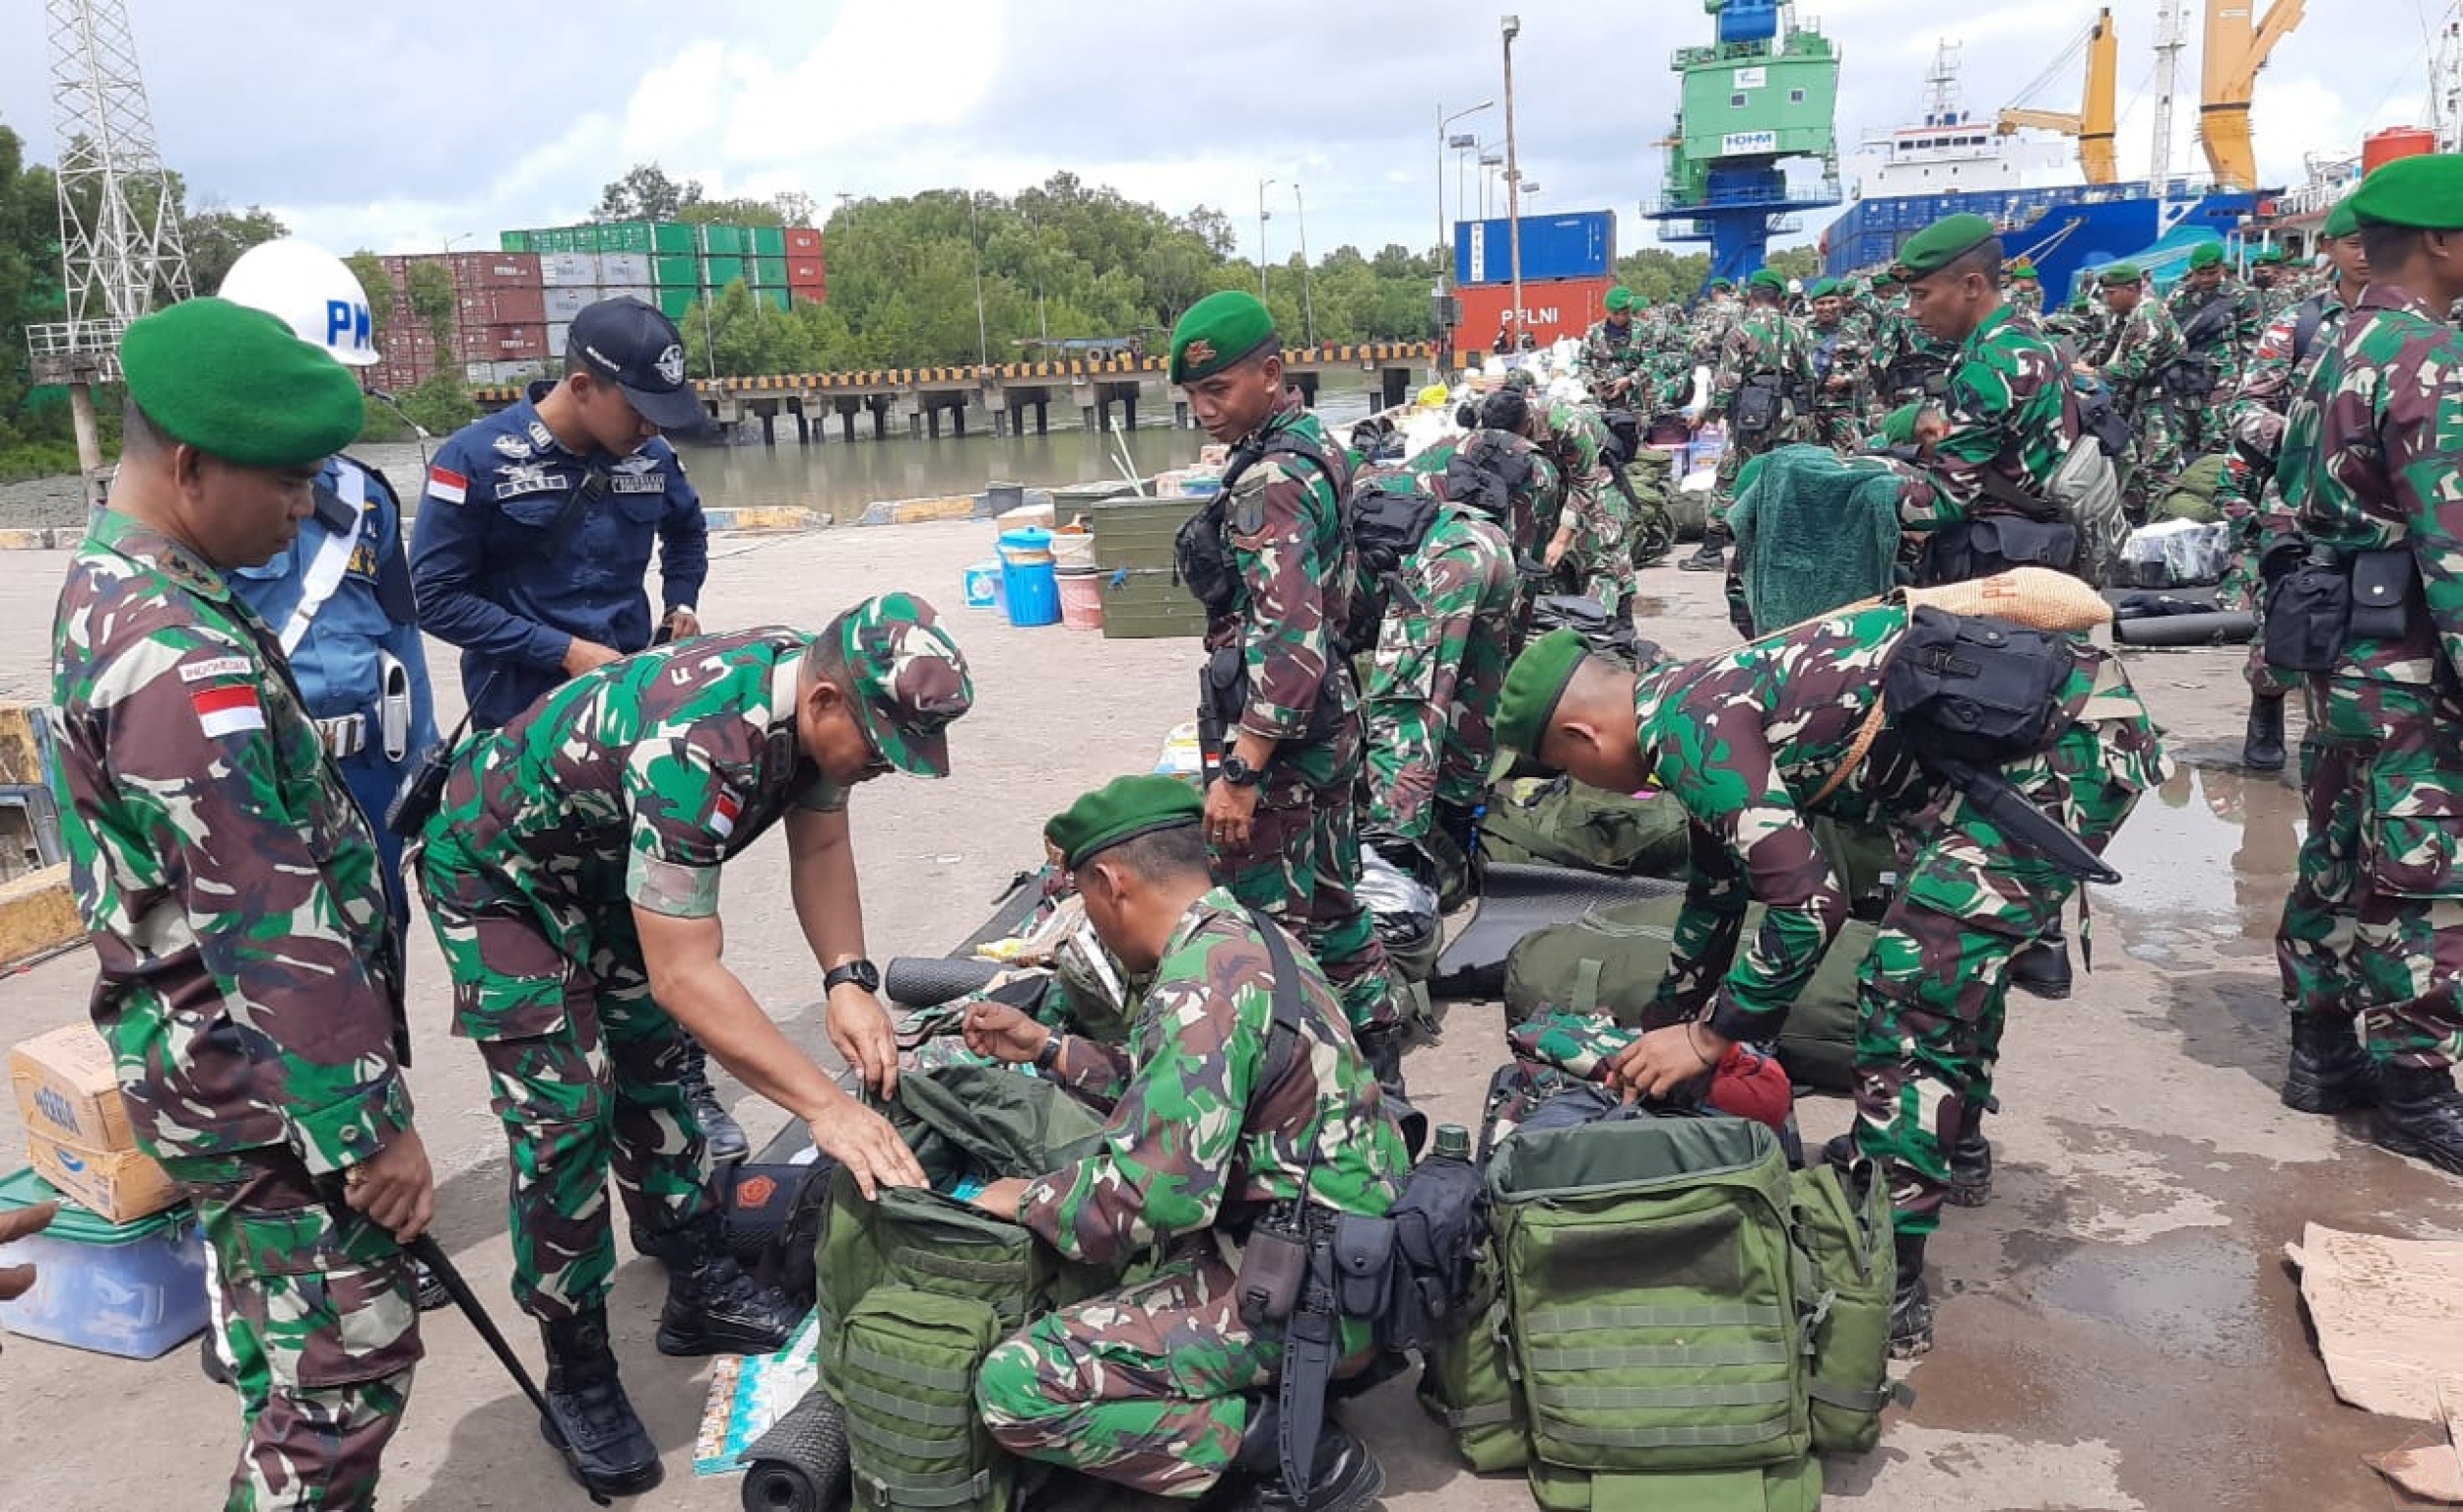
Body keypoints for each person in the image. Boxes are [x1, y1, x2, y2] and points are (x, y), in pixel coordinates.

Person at [1491, 613, 2166, 1356]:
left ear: (1583, 740)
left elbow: (1811, 904)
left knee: (1912, 975)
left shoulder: (1686, 727)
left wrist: (1711, 1036)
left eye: (1565, 769)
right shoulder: (1683, 702)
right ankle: (1954, 1145)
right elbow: (1716, 895)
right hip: (2035, 730)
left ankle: (1887, 1271)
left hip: (2068, 744)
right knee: (1948, 953)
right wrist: (1662, 1026)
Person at [411, 593, 959, 1495]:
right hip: (500, 878)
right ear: (826, 704)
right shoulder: (699, 747)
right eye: (882, 748)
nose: (885, 770)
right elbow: (687, 973)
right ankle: (576, 1360)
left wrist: (849, 978)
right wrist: (824, 1107)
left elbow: (820, 851)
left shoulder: (815, 698)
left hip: (605, 865)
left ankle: (696, 1276)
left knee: (658, 1067)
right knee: (565, 1116)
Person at [50, 297, 433, 1508]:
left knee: (289, 1362)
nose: (308, 505)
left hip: (215, 1071)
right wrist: (372, 1130)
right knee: (343, 1374)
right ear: (189, 464)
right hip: (261, 1091)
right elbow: (266, 921)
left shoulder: (118, 587)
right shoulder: (180, 653)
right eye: (288, 479)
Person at [966, 776, 1407, 1511]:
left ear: (1112, 882)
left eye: (1085, 904)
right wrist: (1047, 1047)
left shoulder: (1196, 987)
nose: (1092, 926)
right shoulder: (1244, 938)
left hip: (1308, 1295)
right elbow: (1184, 1093)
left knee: (1017, 1384)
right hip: (1342, 1257)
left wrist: (1029, 1200)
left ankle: (1283, 1446)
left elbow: (1150, 1196)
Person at [409, 295, 747, 1157]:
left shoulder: (651, 456)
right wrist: (558, 650)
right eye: (638, 409)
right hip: (521, 739)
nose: (648, 428)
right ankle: (566, 1093)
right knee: (551, 925)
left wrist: (681, 602)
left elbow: (688, 532)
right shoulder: (476, 460)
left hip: (634, 729)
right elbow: (434, 595)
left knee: (655, 911)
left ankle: (678, 1079)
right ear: (581, 384)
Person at [2269, 153, 2463, 1173]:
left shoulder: (2339, 341)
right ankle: (2415, 1082)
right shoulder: (2431, 354)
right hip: (2410, 656)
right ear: (2438, 241)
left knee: (2339, 843)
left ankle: (2321, 1044)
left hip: (2342, 646)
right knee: (2421, 873)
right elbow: (2452, 541)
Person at [1168, 292, 1411, 1088]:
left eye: (1219, 390)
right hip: (1332, 717)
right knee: (1337, 894)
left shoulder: (1268, 480)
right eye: (1194, 397)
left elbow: (1287, 637)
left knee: (1264, 927)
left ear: (1272, 374)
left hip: (1285, 740)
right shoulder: (1311, 444)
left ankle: (1301, 1095)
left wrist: (1241, 772)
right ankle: (1379, 1047)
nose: (1204, 410)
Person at [217, 239, 437, 927]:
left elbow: (402, 643)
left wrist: (424, 782)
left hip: (369, 778)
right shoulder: (203, 498)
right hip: (261, 780)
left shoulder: (362, 497)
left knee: (378, 961)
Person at [2218, 200, 2370, 772]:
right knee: (2288, 612)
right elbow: (2245, 407)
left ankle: (2343, 732)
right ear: (2327, 248)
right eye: (2352, 242)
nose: (2365, 255)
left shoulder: (2417, 321)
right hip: (2299, 500)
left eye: (2373, 241)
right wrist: (2304, 435)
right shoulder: (2299, 324)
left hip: (2377, 500)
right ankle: (2267, 705)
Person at [1880, 214, 2082, 586]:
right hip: (2041, 560)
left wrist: (1859, 490)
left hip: (1995, 575)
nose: (1912, 310)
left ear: (1972, 285)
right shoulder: (2026, 340)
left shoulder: (1986, 366)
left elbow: (1942, 502)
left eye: (1922, 294)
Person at [1362, 451, 1520, 899]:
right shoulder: (1360, 481)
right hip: (1488, 541)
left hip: (1441, 562)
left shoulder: (1297, 533)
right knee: (1473, 700)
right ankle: (1458, 842)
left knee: (1403, 709)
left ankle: (1396, 869)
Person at [1683, 268, 1816, 574]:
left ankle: (1713, 548)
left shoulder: (1740, 332)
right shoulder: (1796, 330)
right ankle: (1784, 547)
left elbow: (1726, 382)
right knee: (1784, 477)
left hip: (1750, 418)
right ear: (1780, 299)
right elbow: (1809, 378)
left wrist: (1709, 416)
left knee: (1730, 476)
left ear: (1751, 298)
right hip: (1787, 416)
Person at [2083, 262, 2187, 521]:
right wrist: (2082, 364)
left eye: (2111, 294)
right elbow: (2104, 351)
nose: (2107, 300)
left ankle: (2161, 529)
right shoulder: (2126, 316)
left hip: (2163, 400)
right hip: (2143, 399)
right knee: (2137, 465)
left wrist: (2093, 374)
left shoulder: (2148, 314)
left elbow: (2136, 367)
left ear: (2131, 290)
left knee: (2159, 467)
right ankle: (2136, 521)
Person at [2164, 242, 2264, 456]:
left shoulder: (2241, 296)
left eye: (2212, 273)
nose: (2206, 279)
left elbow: (2251, 340)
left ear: (2222, 269)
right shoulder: (2177, 297)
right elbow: (2169, 336)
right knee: (2181, 432)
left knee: (2216, 431)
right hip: (2187, 373)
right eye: (2201, 273)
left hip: (2224, 372)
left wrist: (2246, 381)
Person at [1806, 277, 1875, 452]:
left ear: (1841, 302)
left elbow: (1870, 367)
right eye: (1821, 303)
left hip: (1845, 409)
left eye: (1832, 302)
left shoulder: (1855, 329)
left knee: (1848, 457)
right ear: (1813, 305)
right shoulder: (1803, 330)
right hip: (1812, 409)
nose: (1827, 307)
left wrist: (1847, 380)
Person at [1574, 286, 1652, 402]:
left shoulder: (1643, 330)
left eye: (1626, 313)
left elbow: (1651, 362)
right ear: (1609, 311)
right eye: (1617, 314)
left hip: (1635, 398)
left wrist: (1630, 379)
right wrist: (1593, 384)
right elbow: (1582, 364)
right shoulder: (1594, 332)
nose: (1621, 318)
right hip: (1602, 399)